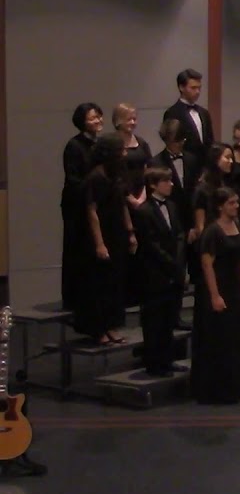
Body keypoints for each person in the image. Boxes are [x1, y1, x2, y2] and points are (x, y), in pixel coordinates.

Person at [191, 187, 240, 404]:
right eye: (231, 203)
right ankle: (216, 390)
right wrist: (215, 295)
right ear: (220, 206)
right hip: (218, 288)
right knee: (218, 340)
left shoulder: (237, 225)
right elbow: (207, 265)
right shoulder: (212, 231)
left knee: (234, 339)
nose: (236, 206)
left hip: (234, 288)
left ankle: (235, 387)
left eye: (236, 202)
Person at [79, 133, 135, 344]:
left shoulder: (117, 175)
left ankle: (112, 325)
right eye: (120, 150)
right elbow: (91, 212)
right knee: (100, 283)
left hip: (117, 233)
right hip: (102, 235)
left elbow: (122, 204)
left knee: (115, 281)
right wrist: (99, 243)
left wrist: (130, 232)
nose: (124, 153)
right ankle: (99, 328)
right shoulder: (95, 178)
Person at [133, 167, 185, 377]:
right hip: (155, 273)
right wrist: (171, 263)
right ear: (153, 184)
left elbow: (180, 234)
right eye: (166, 181)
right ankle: (154, 363)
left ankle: (168, 359)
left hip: (173, 271)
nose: (171, 184)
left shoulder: (172, 206)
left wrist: (179, 262)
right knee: (154, 320)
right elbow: (150, 244)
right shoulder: (144, 211)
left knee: (168, 319)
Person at [62, 102, 104, 314]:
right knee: (77, 249)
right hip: (77, 205)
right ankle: (74, 299)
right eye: (92, 118)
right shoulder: (74, 146)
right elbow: (73, 179)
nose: (97, 121)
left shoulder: (101, 144)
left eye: (98, 116)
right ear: (82, 122)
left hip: (97, 203)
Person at [151, 118, 201, 251]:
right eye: (176, 141)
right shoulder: (156, 163)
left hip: (190, 221)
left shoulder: (192, 159)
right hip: (169, 224)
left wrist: (193, 225)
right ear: (166, 140)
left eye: (182, 140)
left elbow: (194, 194)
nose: (180, 144)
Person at [190, 143, 233, 292]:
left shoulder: (225, 184)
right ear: (216, 160)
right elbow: (200, 226)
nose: (231, 161)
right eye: (227, 158)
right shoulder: (203, 189)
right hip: (212, 246)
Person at [162, 68, 214, 155]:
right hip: (185, 163)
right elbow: (171, 143)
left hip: (206, 165)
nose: (197, 92)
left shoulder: (204, 112)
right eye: (193, 88)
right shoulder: (172, 113)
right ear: (181, 87)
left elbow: (210, 140)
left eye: (199, 88)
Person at [114, 103, 152, 210]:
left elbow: (149, 169)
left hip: (143, 196)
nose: (132, 122)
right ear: (118, 121)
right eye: (128, 119)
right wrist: (130, 198)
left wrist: (143, 196)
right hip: (119, 199)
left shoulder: (142, 143)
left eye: (134, 119)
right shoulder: (112, 143)